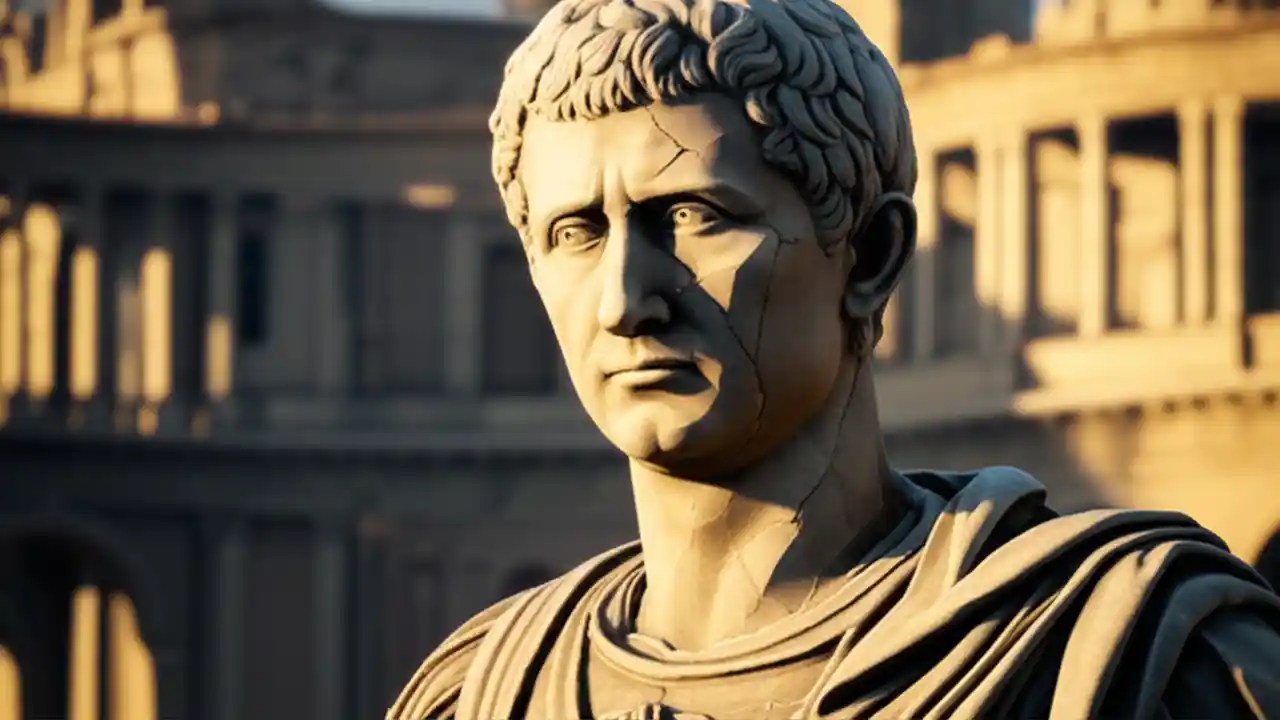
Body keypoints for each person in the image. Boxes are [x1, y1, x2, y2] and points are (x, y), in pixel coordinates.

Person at [389, 1, 1280, 717]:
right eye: (573, 233)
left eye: (697, 217)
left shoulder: (1139, 663)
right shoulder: (477, 693)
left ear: (873, 253)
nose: (626, 301)